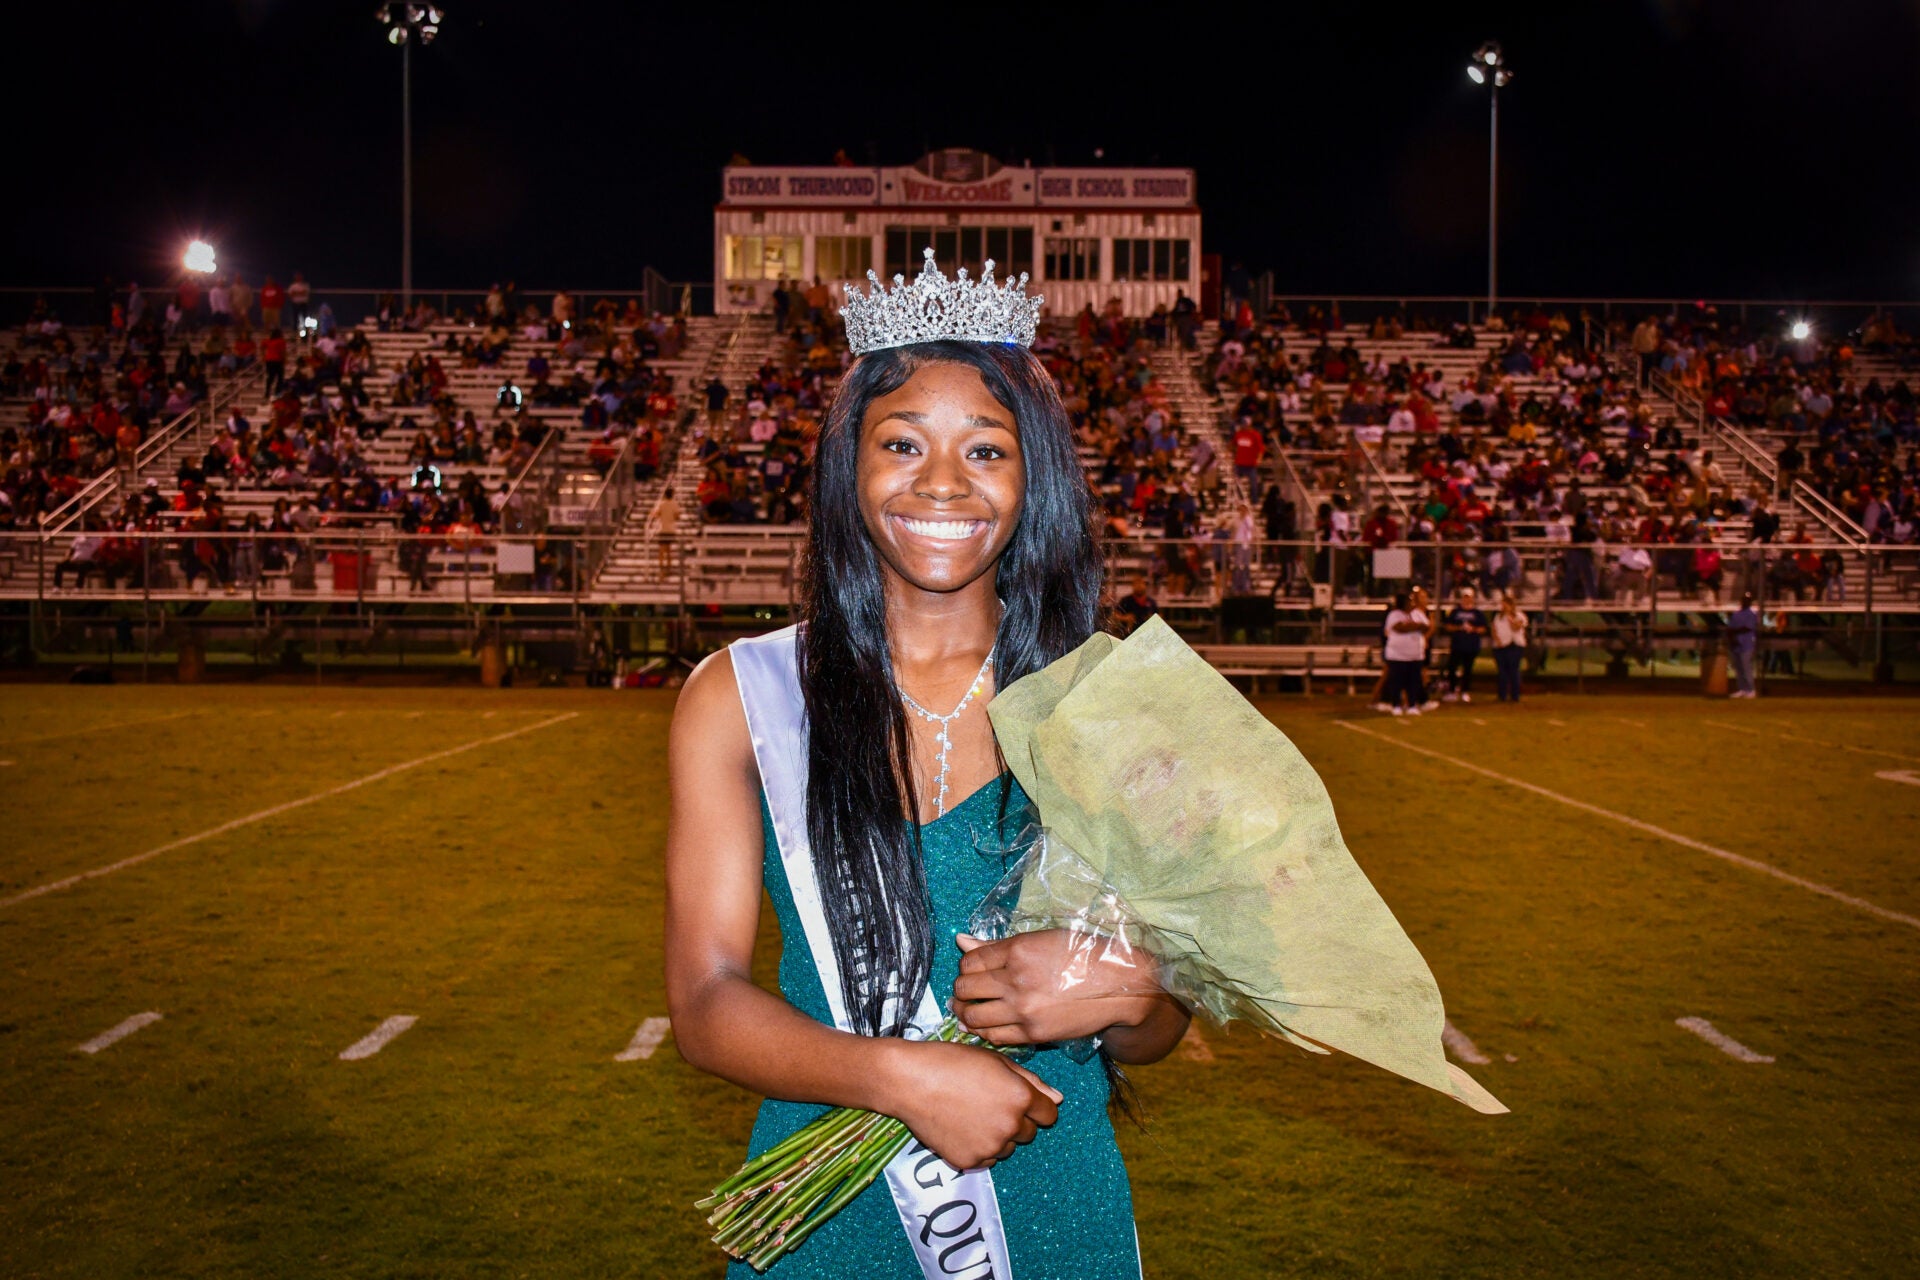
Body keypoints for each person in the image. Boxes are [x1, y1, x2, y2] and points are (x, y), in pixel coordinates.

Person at [665, 262, 1185, 1279]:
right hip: (822, 1224)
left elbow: (1155, 1032)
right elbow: (706, 998)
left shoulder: (1108, 698)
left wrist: (1132, 988)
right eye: (902, 443)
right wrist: (903, 1077)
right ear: (848, 466)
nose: (943, 482)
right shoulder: (742, 697)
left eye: (986, 449)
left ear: (1033, 477)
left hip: (1055, 1202)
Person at [1377, 591, 1430, 715]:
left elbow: (1426, 627)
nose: (1411, 603)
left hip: (1415, 655)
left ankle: (1412, 705)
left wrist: (1411, 626)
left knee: (1414, 681)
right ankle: (1396, 705)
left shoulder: (1417, 613)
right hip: (1397, 655)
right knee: (1397, 681)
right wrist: (1415, 626)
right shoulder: (1394, 614)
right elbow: (1399, 628)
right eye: (1409, 601)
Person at [1441, 587, 1487, 703]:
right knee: (1452, 668)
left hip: (1471, 646)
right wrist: (1459, 628)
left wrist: (1473, 629)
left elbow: (1483, 628)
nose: (1467, 600)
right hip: (1457, 645)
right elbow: (1448, 626)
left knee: (1468, 670)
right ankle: (1452, 690)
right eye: (1465, 597)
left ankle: (1465, 691)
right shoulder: (1455, 612)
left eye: (1469, 597)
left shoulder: (1477, 613)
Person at [1491, 591, 1528, 703]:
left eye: (1505, 604)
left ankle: (1515, 695)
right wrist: (1497, 641)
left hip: (1514, 646)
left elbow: (1516, 628)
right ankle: (1502, 695)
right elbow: (1494, 629)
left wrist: (1510, 618)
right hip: (1501, 646)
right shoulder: (1498, 616)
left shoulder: (1519, 616)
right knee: (1502, 671)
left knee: (1513, 670)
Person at [1726, 592, 1760, 698]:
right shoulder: (1736, 614)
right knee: (1739, 669)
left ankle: (1751, 690)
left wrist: (1734, 632)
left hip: (1746, 644)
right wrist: (1732, 636)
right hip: (1736, 644)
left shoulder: (1751, 614)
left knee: (1746, 668)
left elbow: (1747, 627)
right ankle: (1742, 689)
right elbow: (1730, 628)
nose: (1745, 602)